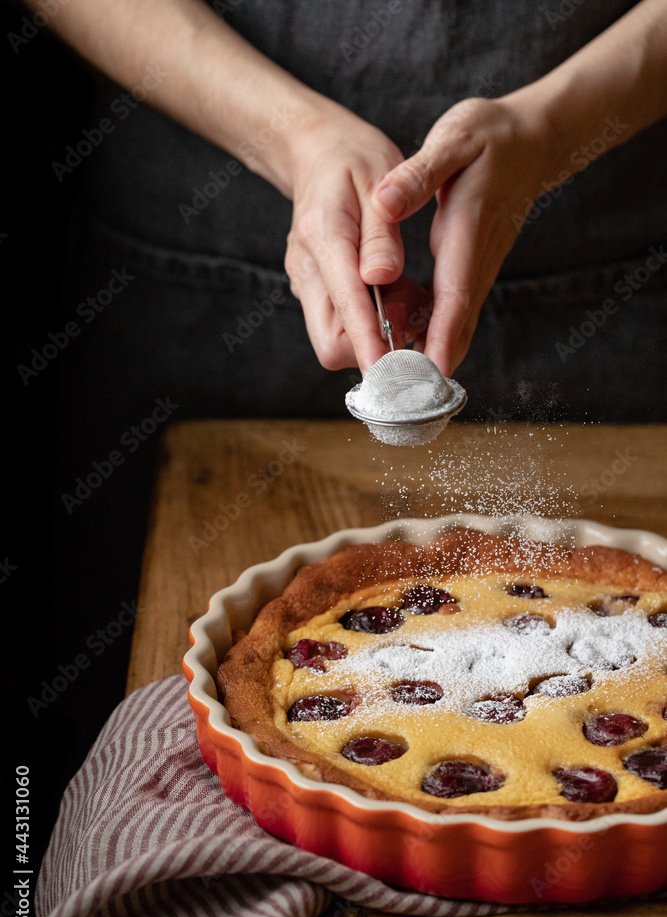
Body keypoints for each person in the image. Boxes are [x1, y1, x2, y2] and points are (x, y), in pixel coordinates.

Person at [24, 0, 667, 813]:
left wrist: (556, 124)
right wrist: (289, 133)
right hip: (199, 272)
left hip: (617, 270)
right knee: (121, 769)